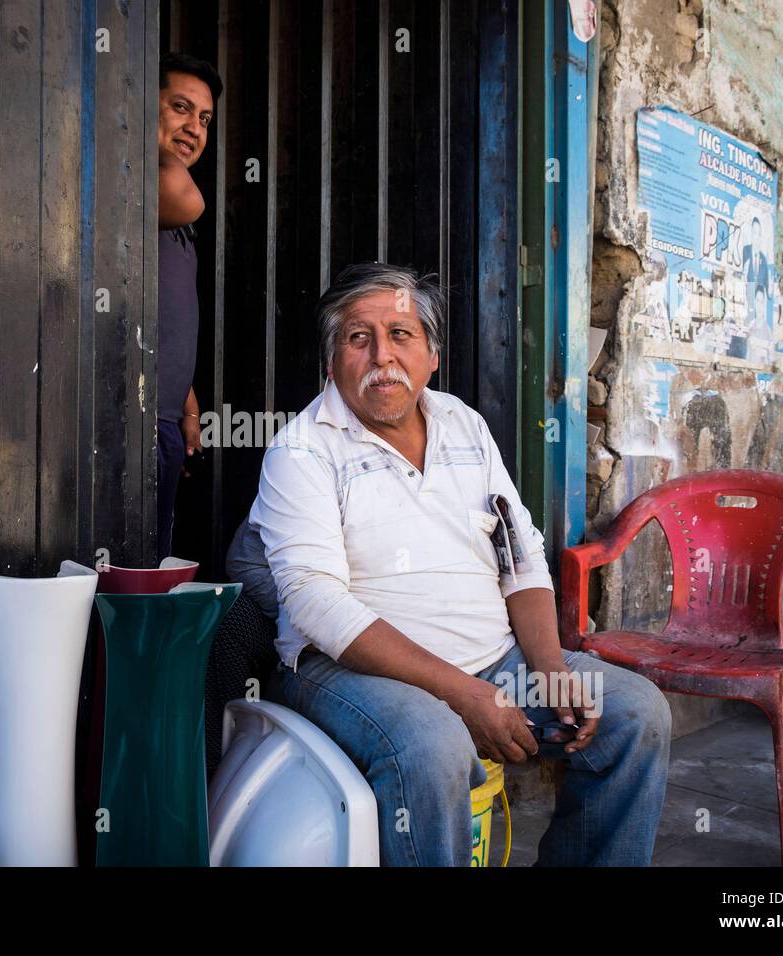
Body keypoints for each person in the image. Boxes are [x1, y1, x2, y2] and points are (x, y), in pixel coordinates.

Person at [228, 263, 672, 866]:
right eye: (360, 338)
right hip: (346, 672)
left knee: (634, 713)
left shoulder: (464, 424)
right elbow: (316, 605)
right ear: (333, 362)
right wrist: (465, 695)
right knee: (432, 744)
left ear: (431, 355)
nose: (383, 355)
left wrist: (547, 668)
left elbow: (521, 557)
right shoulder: (301, 451)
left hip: (494, 662)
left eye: (401, 335)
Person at [156, 52, 222, 561]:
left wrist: (186, 395)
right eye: (181, 108)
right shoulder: (148, 180)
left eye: (204, 119)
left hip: (163, 418)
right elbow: (188, 197)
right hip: (129, 424)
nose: (194, 128)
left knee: (150, 569)